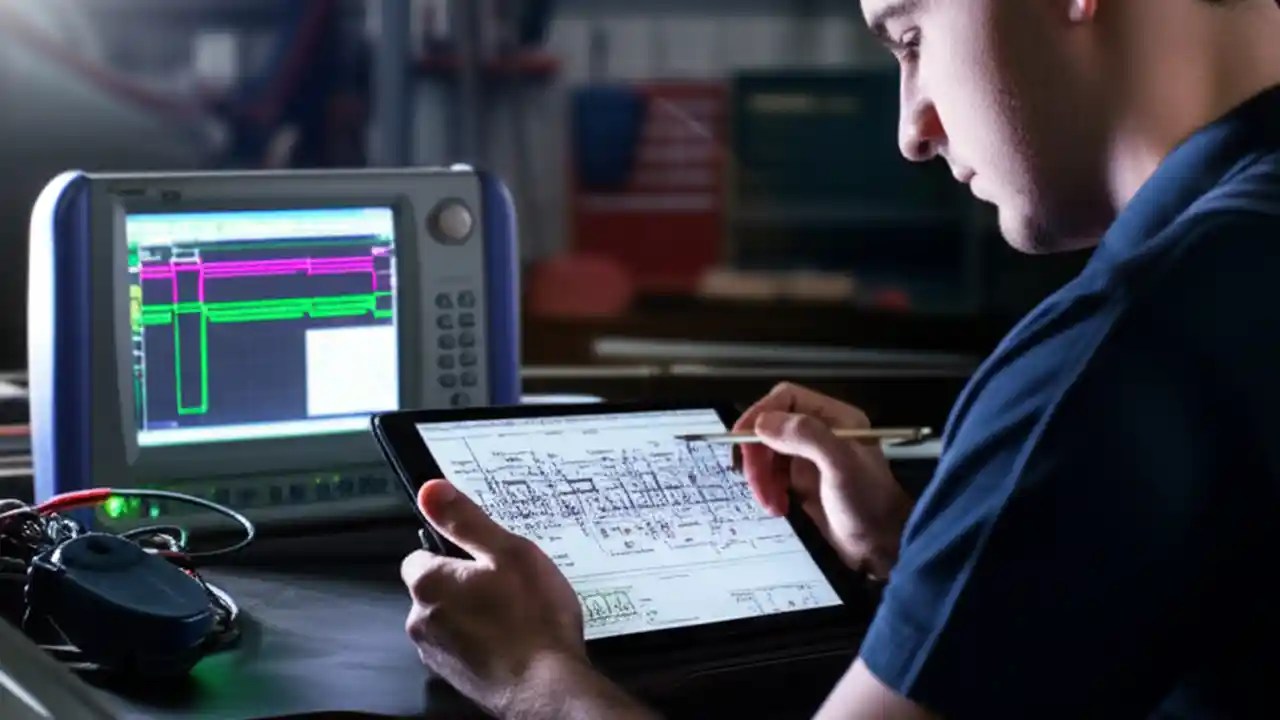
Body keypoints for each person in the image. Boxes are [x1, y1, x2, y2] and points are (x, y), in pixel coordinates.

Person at [398, 0, 1280, 716]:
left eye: (912, 38)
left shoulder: (1121, 352)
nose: (913, 129)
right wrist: (915, 545)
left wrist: (532, 679)